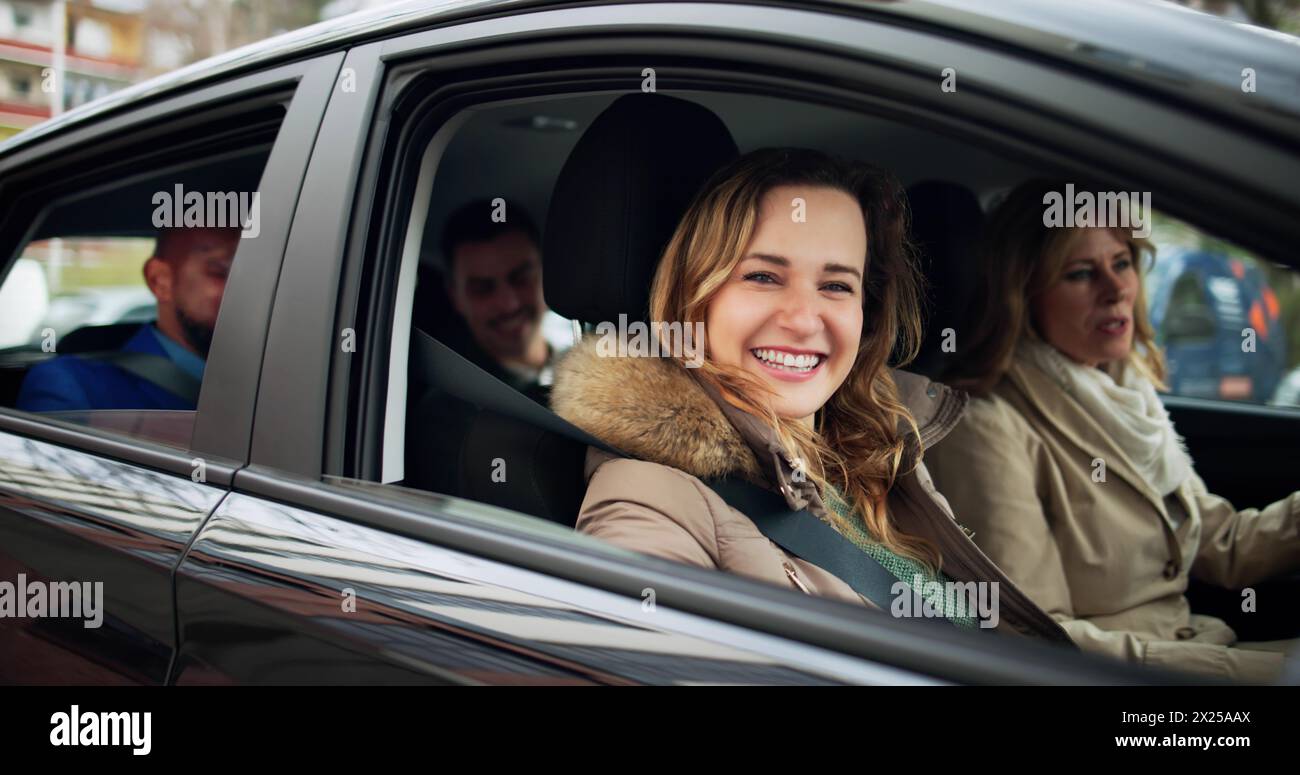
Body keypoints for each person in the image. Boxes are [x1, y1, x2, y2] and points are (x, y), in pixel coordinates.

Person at [550, 148, 1069, 640]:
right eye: (762, 276)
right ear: (692, 299)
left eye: (837, 285)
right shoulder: (650, 494)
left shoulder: (877, 451)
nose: (802, 319)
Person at [926, 178, 1300, 682]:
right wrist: (1254, 671)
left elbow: (1224, 546)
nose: (1116, 288)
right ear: (1023, 295)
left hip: (1198, 648)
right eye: (1081, 274)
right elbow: (1037, 634)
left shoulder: (1125, 391)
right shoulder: (987, 426)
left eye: (1122, 263)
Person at [17, 226, 239, 412]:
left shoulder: (265, 381)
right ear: (160, 280)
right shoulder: (75, 386)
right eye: (222, 270)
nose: (250, 286)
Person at [438, 200, 558, 402]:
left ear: (546, 273)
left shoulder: (603, 349)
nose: (509, 304)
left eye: (522, 278)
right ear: (456, 298)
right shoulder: (456, 405)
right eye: (481, 289)